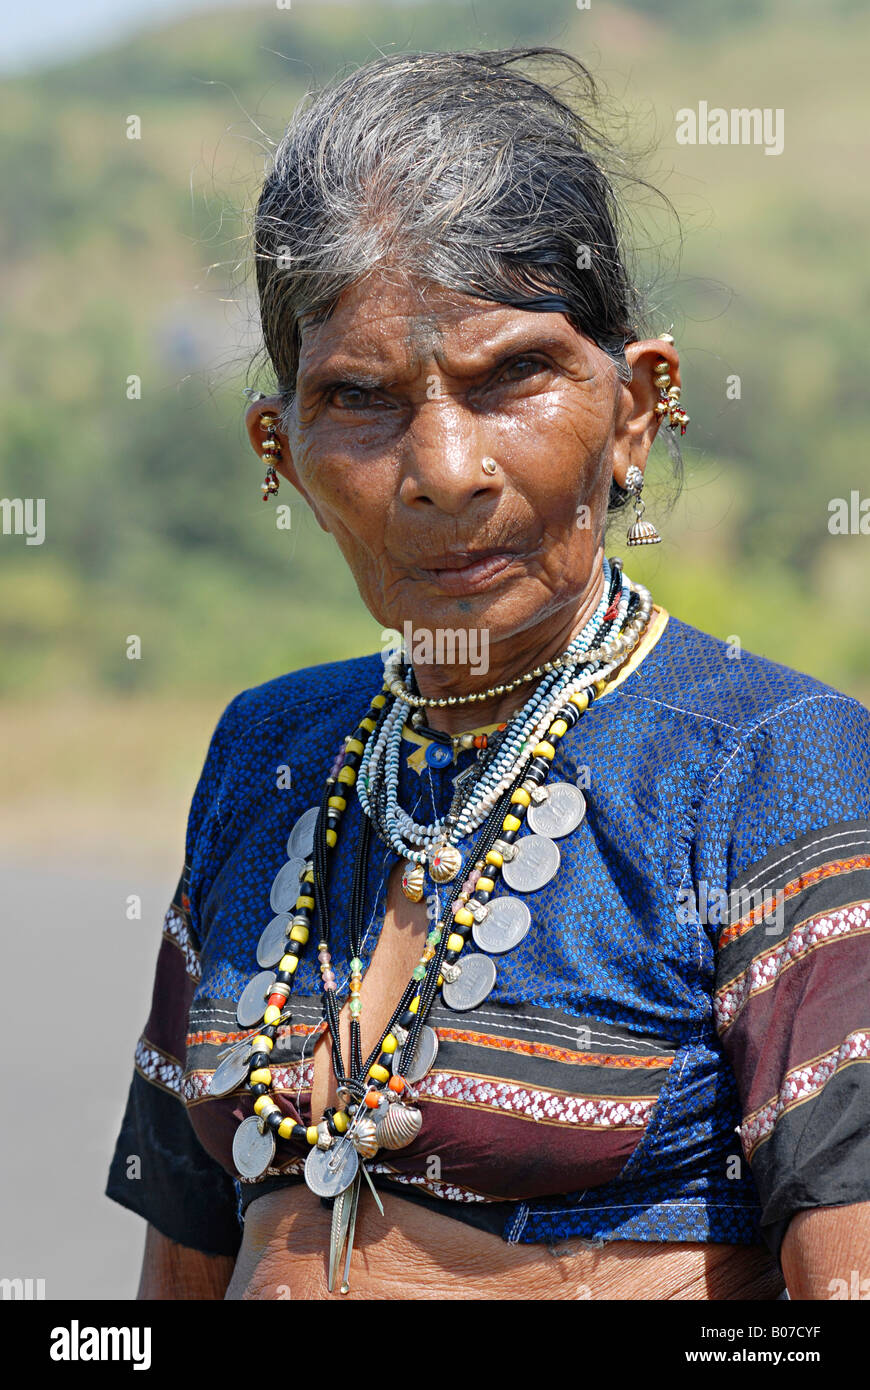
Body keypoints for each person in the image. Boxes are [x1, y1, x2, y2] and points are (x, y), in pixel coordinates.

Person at [106, 48, 870, 1300]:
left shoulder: (769, 761)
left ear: (636, 410)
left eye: (511, 375)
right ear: (282, 453)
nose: (445, 467)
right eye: (359, 398)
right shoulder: (266, 752)